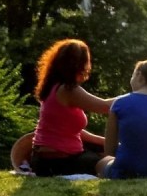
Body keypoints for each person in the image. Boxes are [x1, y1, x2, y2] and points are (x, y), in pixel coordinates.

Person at [30, 39, 114, 176]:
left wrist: (105, 141)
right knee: (111, 162)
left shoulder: (51, 87)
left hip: (42, 159)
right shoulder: (68, 90)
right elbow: (104, 106)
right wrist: (135, 97)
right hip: (59, 161)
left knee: (105, 150)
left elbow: (71, 131)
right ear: (80, 65)